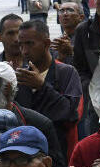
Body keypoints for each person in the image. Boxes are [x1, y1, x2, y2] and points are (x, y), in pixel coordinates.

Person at [15, 19, 80, 158]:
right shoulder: (21, 77)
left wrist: (42, 87)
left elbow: (69, 115)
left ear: (46, 44)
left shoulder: (67, 72)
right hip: (26, 153)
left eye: (30, 44)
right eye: (21, 45)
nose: (24, 51)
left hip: (59, 153)